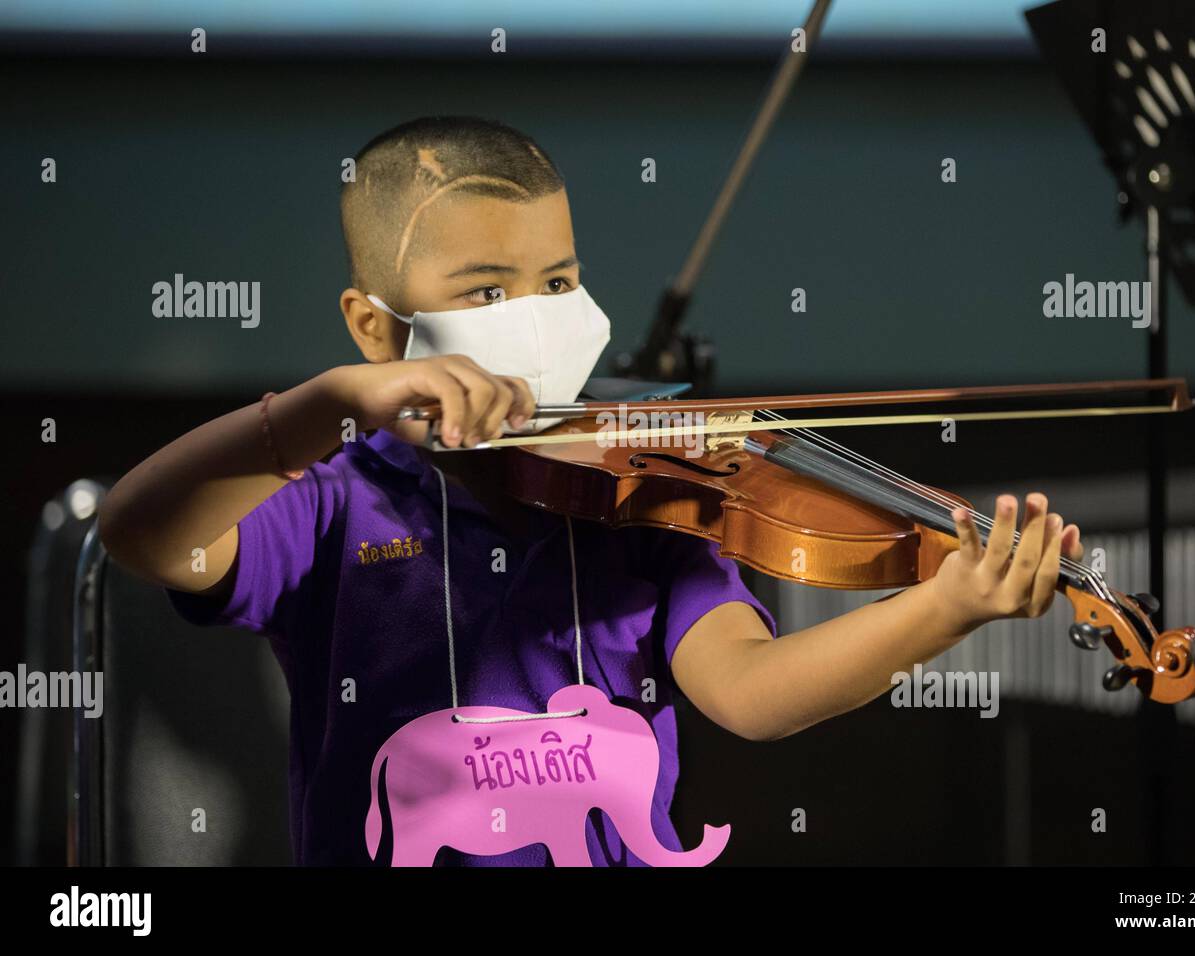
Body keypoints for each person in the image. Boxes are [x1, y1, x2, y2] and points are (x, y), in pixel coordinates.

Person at [98, 115, 1084, 866]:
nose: (537, 317)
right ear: (373, 327)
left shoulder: (642, 499)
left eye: (559, 279)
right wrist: (327, 405)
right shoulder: (331, 497)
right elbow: (143, 533)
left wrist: (944, 606)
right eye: (486, 291)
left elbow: (750, 694)